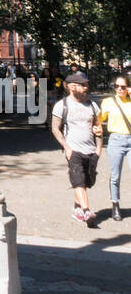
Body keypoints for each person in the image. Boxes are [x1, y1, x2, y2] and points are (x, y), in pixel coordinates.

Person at [51, 70, 103, 224]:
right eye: (82, 85)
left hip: (91, 150)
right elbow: (55, 128)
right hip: (73, 150)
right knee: (78, 179)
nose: (86, 88)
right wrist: (67, 148)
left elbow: (98, 127)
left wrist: (98, 149)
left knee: (87, 181)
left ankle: (77, 207)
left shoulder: (93, 105)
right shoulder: (62, 105)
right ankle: (87, 211)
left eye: (86, 85)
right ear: (72, 87)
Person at [99, 74, 131, 222]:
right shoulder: (108, 102)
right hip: (116, 140)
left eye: (123, 87)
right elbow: (99, 119)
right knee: (115, 175)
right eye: (116, 86)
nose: (119, 89)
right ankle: (115, 205)